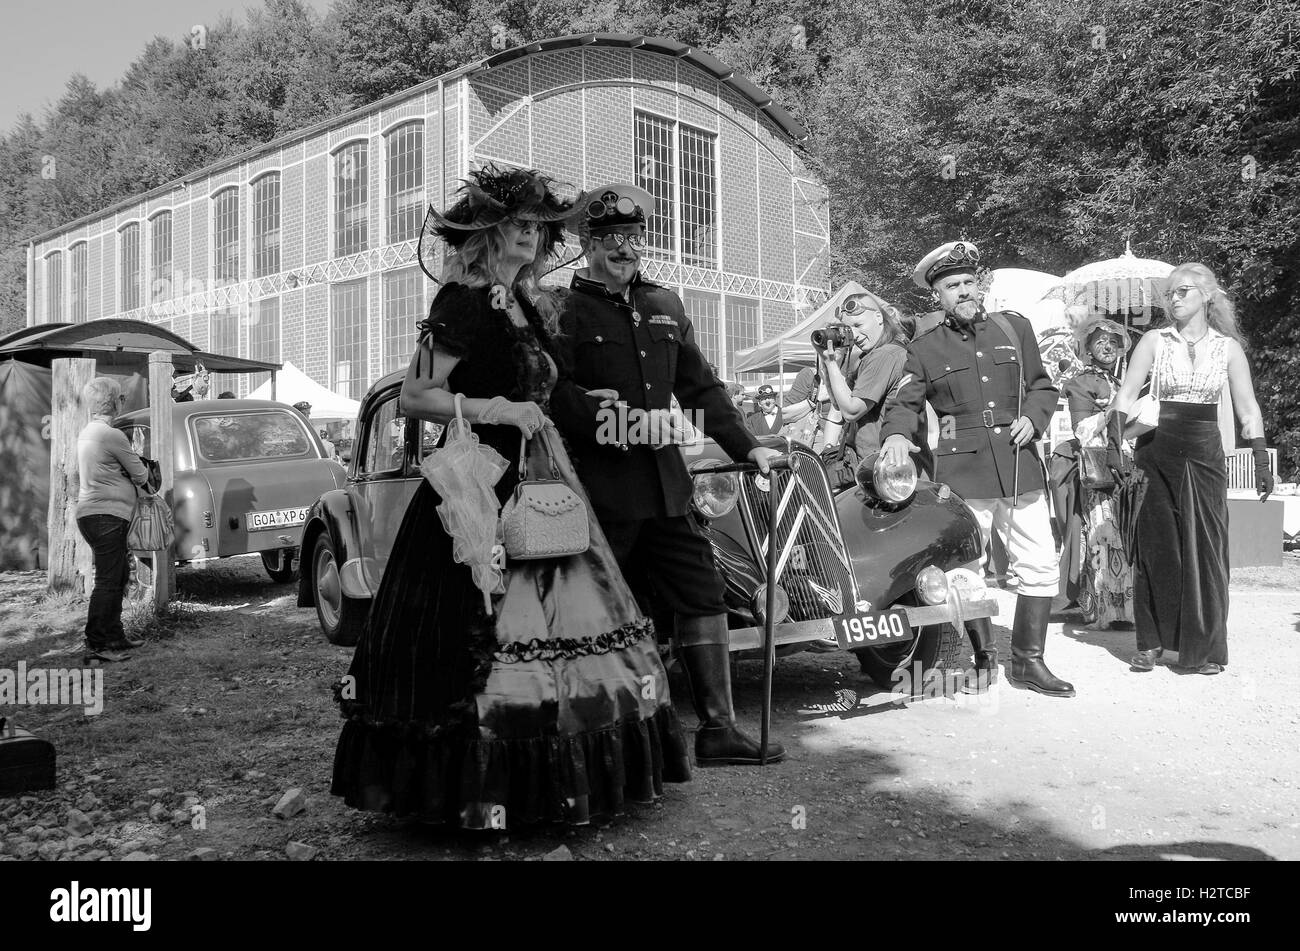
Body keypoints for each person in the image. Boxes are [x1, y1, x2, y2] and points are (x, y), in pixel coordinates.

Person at [330, 166, 690, 829]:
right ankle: (472, 786)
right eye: (518, 222)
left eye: (539, 226)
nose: (530, 234)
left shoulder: (525, 302)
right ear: (488, 229)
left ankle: (560, 783)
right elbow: (416, 397)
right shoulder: (462, 300)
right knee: (473, 630)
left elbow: (553, 388)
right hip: (482, 479)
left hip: (543, 473)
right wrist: (500, 405)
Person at [549, 182, 786, 766]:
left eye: (632, 238)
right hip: (600, 488)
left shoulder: (665, 305)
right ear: (587, 243)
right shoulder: (562, 310)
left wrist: (748, 446)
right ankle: (605, 739)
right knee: (604, 609)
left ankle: (718, 730)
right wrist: (610, 419)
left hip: (666, 485)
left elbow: (700, 385)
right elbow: (550, 392)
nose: (624, 249)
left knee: (701, 594)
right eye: (609, 239)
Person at [880, 241, 1072, 697]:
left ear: (979, 285)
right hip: (963, 469)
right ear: (937, 295)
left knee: (1041, 561)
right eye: (953, 286)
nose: (964, 291)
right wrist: (895, 435)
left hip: (1019, 461)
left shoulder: (1014, 328)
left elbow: (1043, 386)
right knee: (967, 570)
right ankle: (984, 658)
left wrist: (1035, 416)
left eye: (969, 282)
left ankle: (1029, 661)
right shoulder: (924, 347)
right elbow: (905, 401)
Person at [1108, 263, 1272, 675]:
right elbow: (1126, 396)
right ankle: (1151, 643)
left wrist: (1261, 458)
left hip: (1204, 451)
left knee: (1207, 549)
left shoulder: (1227, 348)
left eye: (1182, 291)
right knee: (1156, 546)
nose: (1174, 299)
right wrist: (1113, 444)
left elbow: (1247, 407)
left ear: (1207, 296)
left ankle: (1206, 649)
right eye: (1170, 293)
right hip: (1156, 447)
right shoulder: (1153, 340)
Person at [1049, 317, 1135, 627]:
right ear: (1088, 349)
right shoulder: (1080, 383)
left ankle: (1124, 609)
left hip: (1124, 467)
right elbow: (1082, 430)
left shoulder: (1124, 383)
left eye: (1113, 342)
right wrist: (1113, 411)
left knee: (1124, 535)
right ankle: (1100, 607)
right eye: (1100, 342)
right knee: (1101, 533)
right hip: (1095, 468)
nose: (1108, 347)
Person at [75, 377, 150, 664]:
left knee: (116, 575)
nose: (123, 402)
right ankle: (96, 643)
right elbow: (141, 474)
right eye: (120, 398)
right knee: (108, 580)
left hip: (95, 514)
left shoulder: (90, 432)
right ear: (112, 402)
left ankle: (114, 635)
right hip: (106, 515)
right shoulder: (111, 435)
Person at [817, 291, 911, 470]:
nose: (855, 335)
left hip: (882, 467)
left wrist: (831, 365)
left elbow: (851, 411)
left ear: (878, 317)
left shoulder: (884, 355)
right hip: (877, 463)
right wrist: (831, 363)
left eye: (859, 325)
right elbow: (839, 405)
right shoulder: (878, 354)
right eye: (849, 330)